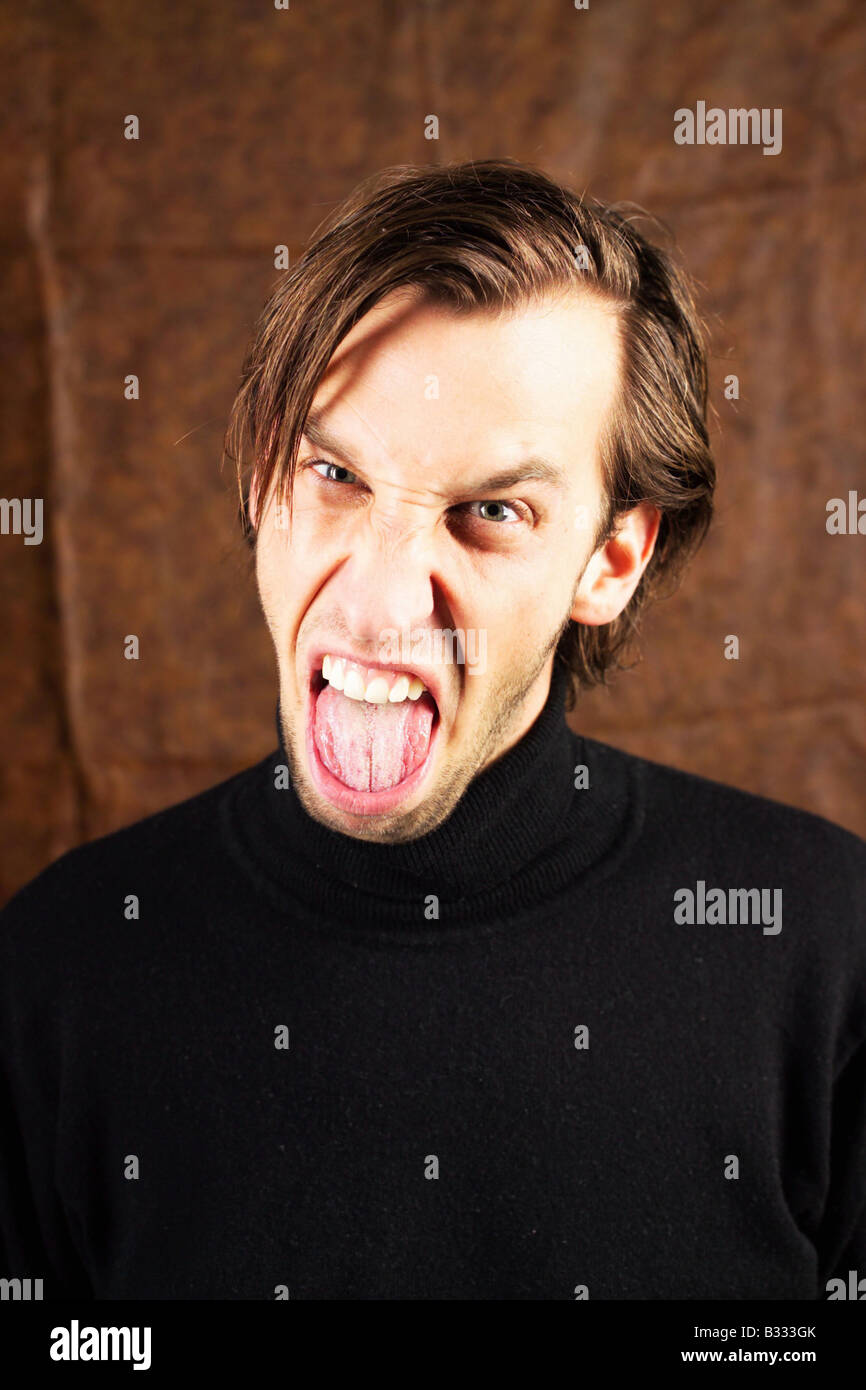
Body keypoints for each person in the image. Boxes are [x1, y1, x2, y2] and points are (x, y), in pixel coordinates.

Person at [1, 159, 863, 1301]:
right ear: (263, 477)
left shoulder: (825, 945)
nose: (375, 600)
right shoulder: (60, 967)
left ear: (611, 557)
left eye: (491, 510)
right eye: (334, 473)